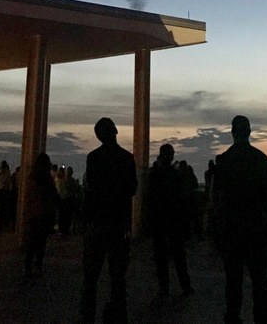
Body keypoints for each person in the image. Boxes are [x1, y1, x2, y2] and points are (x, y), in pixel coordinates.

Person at [212, 115, 267, 324]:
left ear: (232, 132)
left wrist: (218, 231)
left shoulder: (224, 161)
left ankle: (232, 316)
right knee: (259, 278)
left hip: (232, 230)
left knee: (233, 279)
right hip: (256, 228)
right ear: (249, 132)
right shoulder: (260, 159)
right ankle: (263, 317)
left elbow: (218, 200)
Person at [80, 117, 137, 324]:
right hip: (118, 223)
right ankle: (118, 315)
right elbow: (132, 189)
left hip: (98, 222)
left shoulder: (93, 158)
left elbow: (91, 189)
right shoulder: (127, 158)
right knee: (118, 277)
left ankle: (87, 316)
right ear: (115, 132)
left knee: (91, 276)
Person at [146, 143, 192, 298]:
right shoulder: (174, 174)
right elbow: (183, 197)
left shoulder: (155, 174)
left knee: (161, 257)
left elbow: (149, 197)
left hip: (160, 220)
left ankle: (164, 288)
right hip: (173, 220)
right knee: (178, 256)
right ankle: (185, 285)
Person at [23, 152, 59, 277]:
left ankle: (28, 266)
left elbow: (28, 197)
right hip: (43, 214)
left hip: (32, 214)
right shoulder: (47, 180)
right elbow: (53, 196)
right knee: (41, 242)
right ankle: (38, 265)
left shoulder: (31, 178)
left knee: (31, 241)